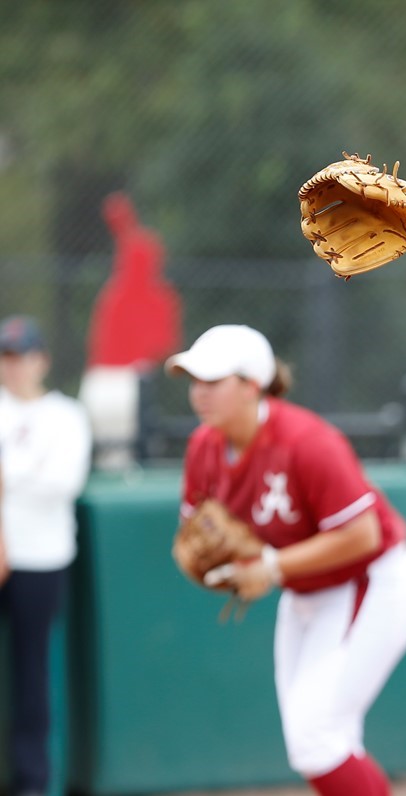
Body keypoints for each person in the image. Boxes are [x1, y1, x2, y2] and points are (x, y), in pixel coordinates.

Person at [164, 324, 406, 796]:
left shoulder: (306, 441)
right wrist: (226, 567)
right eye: (193, 381)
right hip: (306, 593)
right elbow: (196, 530)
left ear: (250, 385)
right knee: (317, 739)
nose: (198, 392)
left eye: (212, 380)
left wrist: (269, 567)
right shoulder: (204, 447)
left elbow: (361, 535)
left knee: (316, 738)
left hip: (371, 581)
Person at [0, 315, 92, 796]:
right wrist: (25, 472)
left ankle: (32, 781)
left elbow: (63, 482)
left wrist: (6, 475)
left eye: (22, 357)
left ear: (42, 361)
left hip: (42, 556)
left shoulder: (66, 415)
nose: (13, 368)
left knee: (31, 670)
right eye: (6, 358)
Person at [80, 192, 182, 470]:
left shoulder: (153, 297)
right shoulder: (119, 294)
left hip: (128, 377)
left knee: (122, 455)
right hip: (104, 375)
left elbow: (163, 346)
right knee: (103, 451)